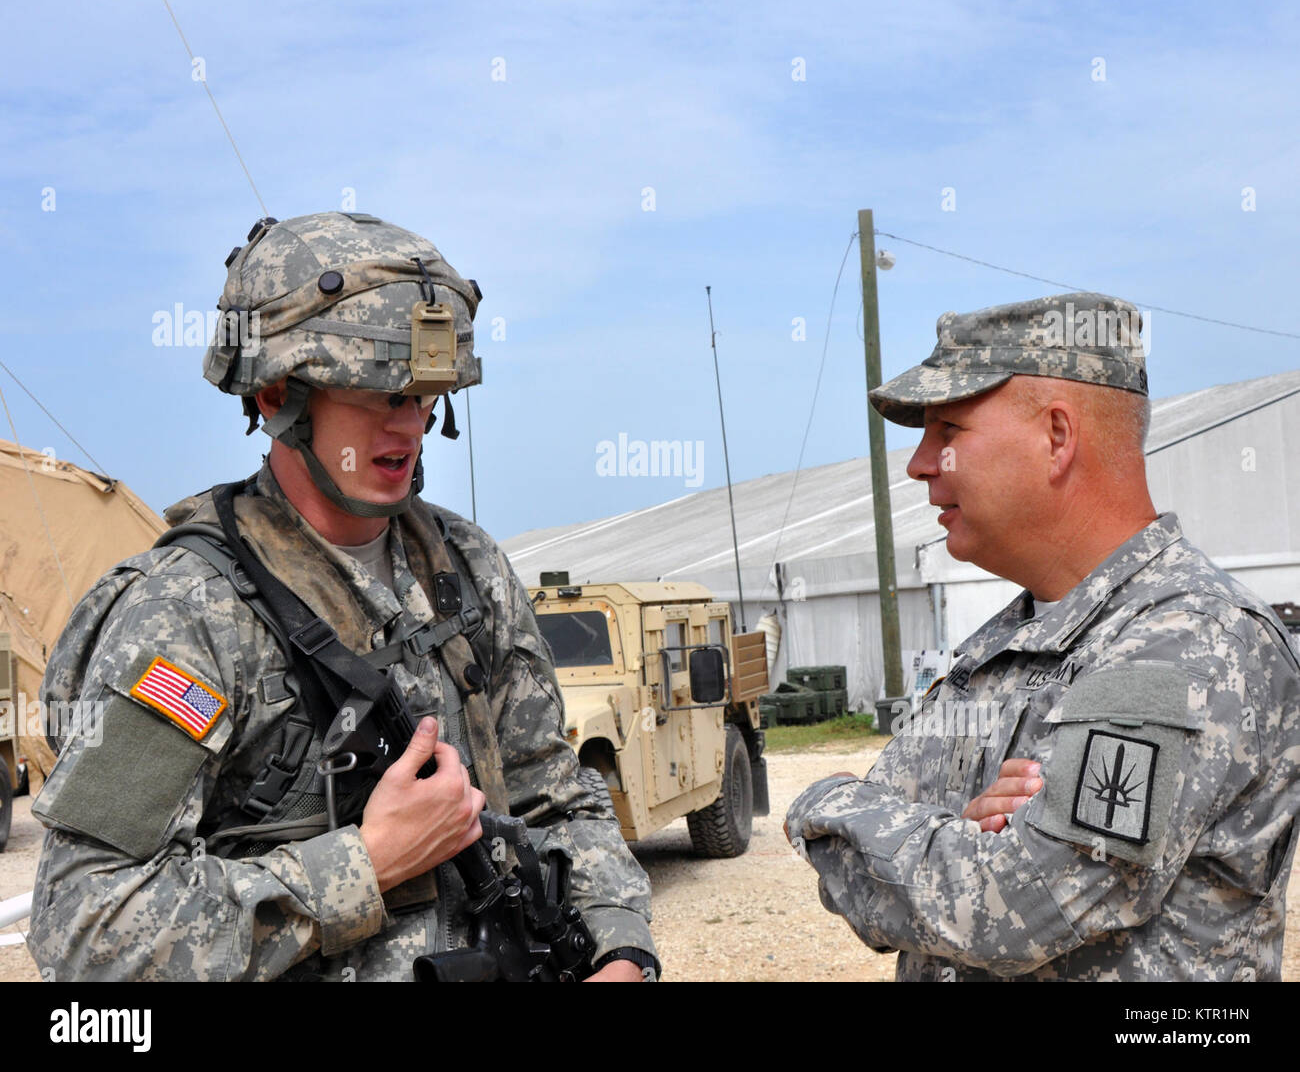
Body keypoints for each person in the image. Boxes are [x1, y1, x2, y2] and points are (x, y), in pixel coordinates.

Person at [27, 211, 658, 982]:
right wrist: (364, 864)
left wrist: (621, 948)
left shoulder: (468, 569)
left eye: (426, 394)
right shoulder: (184, 614)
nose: (410, 425)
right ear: (276, 396)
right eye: (378, 393)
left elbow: (557, 802)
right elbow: (87, 924)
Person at [785, 293, 1300, 981]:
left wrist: (821, 802)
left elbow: (1007, 908)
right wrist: (948, 843)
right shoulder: (1004, 646)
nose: (918, 463)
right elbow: (890, 868)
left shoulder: (1188, 642)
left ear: (1057, 437)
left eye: (948, 430)